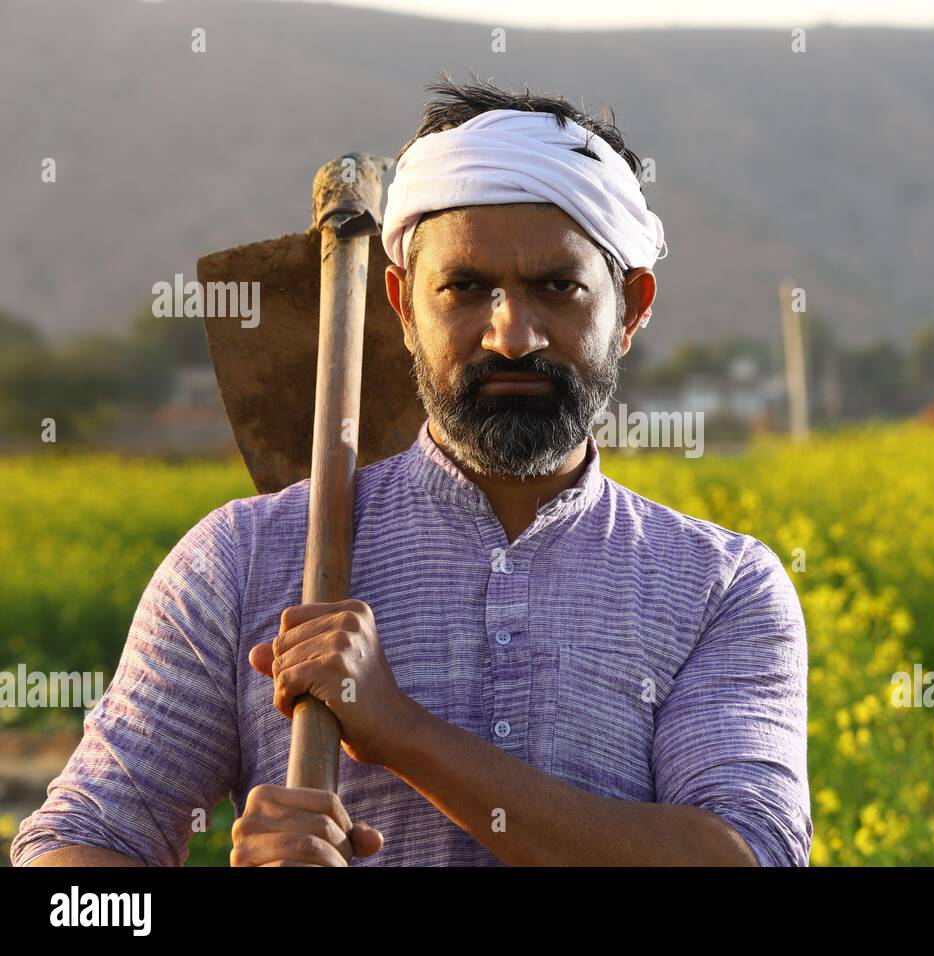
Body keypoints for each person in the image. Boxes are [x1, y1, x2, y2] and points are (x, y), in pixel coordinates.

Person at [12, 74, 811, 867]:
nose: (511, 335)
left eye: (557, 287)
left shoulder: (720, 587)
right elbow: (74, 861)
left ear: (631, 308)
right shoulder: (243, 559)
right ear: (399, 304)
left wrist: (400, 731)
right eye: (465, 287)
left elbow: (747, 857)